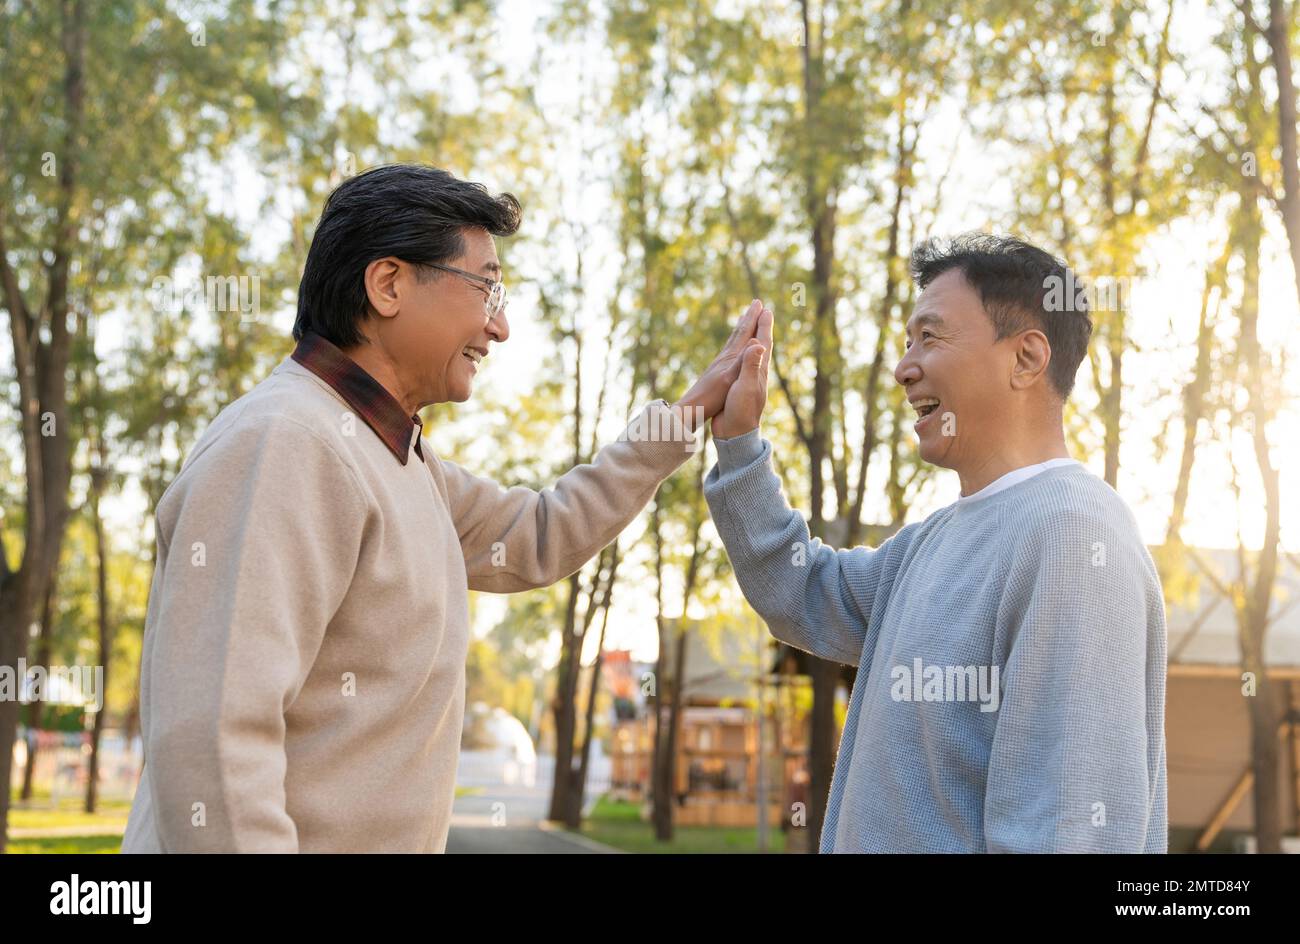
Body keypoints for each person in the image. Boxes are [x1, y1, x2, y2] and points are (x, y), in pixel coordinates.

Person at [122, 163, 771, 853]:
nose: (502, 326)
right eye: (487, 287)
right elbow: (214, 739)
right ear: (389, 284)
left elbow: (537, 534)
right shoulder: (284, 443)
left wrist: (685, 419)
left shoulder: (396, 457)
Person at [704, 233, 1168, 853]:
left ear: (1026, 359)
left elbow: (1068, 836)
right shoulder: (930, 542)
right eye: (906, 343)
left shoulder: (1074, 536)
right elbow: (803, 592)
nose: (903, 368)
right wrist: (739, 443)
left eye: (931, 336)